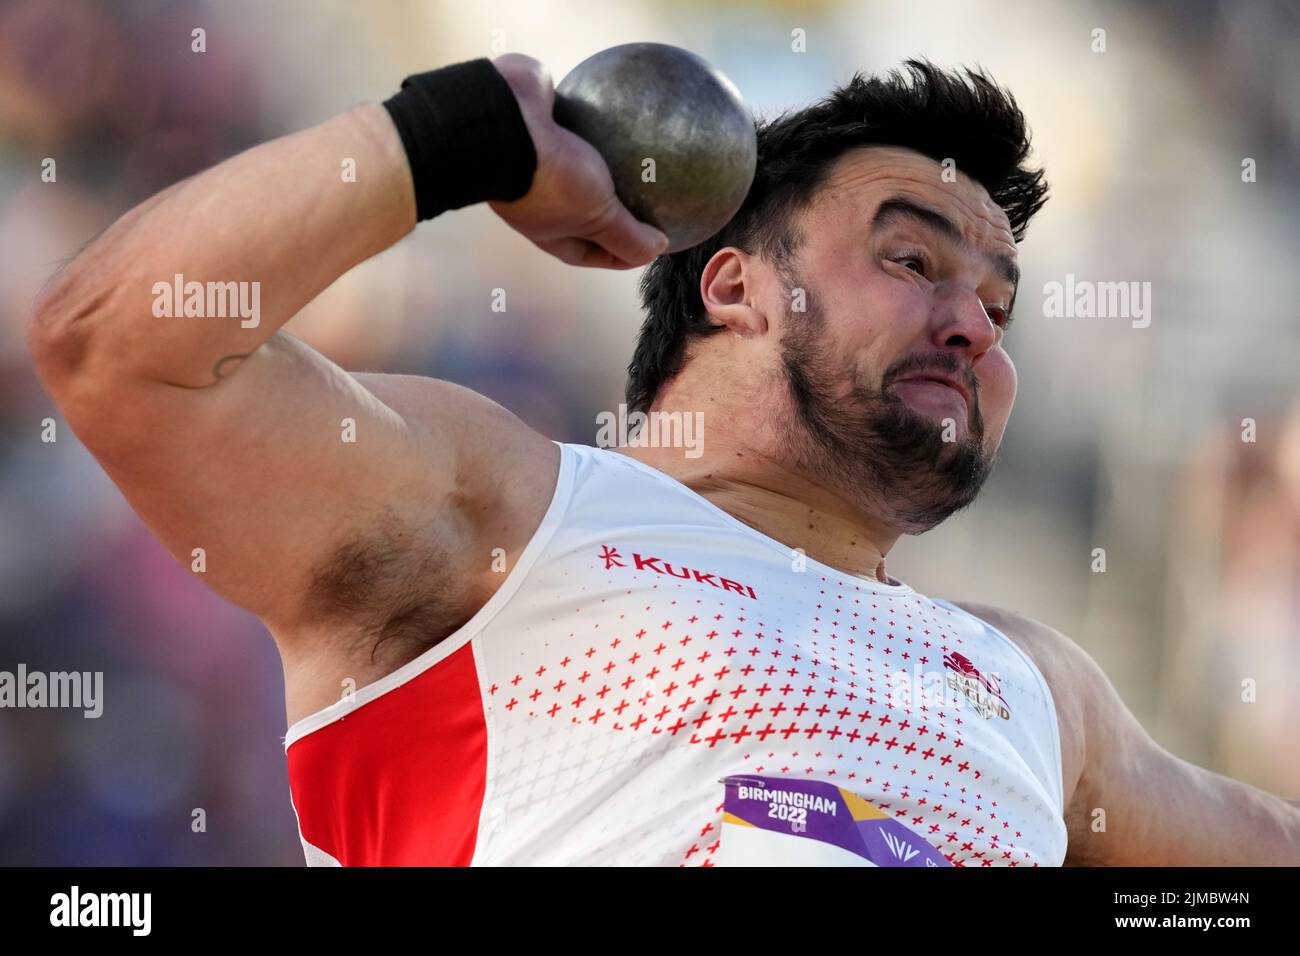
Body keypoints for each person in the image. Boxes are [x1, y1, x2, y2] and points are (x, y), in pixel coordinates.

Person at [27, 54, 1299, 866]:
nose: (971, 322)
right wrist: (454, 136)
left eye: (999, 307)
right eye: (912, 261)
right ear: (736, 285)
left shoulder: (1040, 688)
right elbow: (121, 345)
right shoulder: (514, 518)